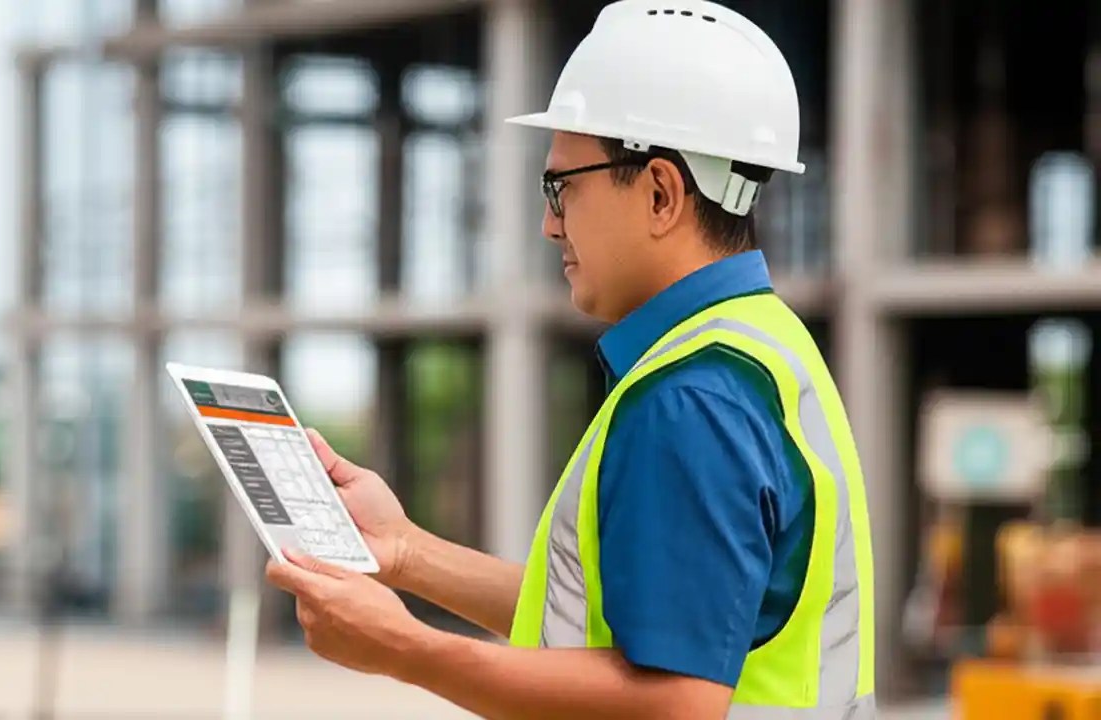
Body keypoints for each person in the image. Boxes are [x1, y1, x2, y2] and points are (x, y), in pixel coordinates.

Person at [266, 1, 877, 718]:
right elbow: (624, 621)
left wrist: (404, 648)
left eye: (563, 186)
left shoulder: (692, 398)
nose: (548, 223)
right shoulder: (758, 346)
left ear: (659, 193)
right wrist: (404, 553)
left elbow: (675, 702)